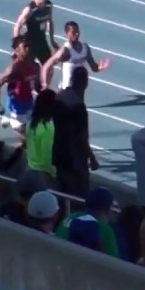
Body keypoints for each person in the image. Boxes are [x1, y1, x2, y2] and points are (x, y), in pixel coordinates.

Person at [53, 66, 98, 198]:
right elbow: (81, 137)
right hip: (74, 157)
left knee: (61, 188)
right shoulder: (78, 107)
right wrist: (92, 158)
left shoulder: (60, 96)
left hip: (57, 150)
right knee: (79, 193)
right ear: (85, 82)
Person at [40, 20, 110, 90]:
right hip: (67, 91)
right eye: (74, 32)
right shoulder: (65, 50)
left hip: (80, 89)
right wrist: (45, 84)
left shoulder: (85, 48)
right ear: (67, 34)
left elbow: (94, 67)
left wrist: (100, 67)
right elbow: (46, 66)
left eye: (77, 32)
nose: (76, 34)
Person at [0, 37, 41, 133]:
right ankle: (12, 121)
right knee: (23, 131)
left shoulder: (35, 66)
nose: (28, 48)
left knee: (33, 126)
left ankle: (10, 120)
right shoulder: (13, 69)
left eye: (29, 46)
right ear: (17, 51)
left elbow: (37, 85)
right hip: (16, 103)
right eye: (25, 47)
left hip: (29, 100)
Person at [11, 0, 56, 65]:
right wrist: (18, 47)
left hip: (41, 40)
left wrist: (52, 41)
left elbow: (50, 22)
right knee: (25, 68)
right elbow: (17, 26)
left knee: (49, 66)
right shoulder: (30, 10)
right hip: (30, 42)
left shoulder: (49, 6)